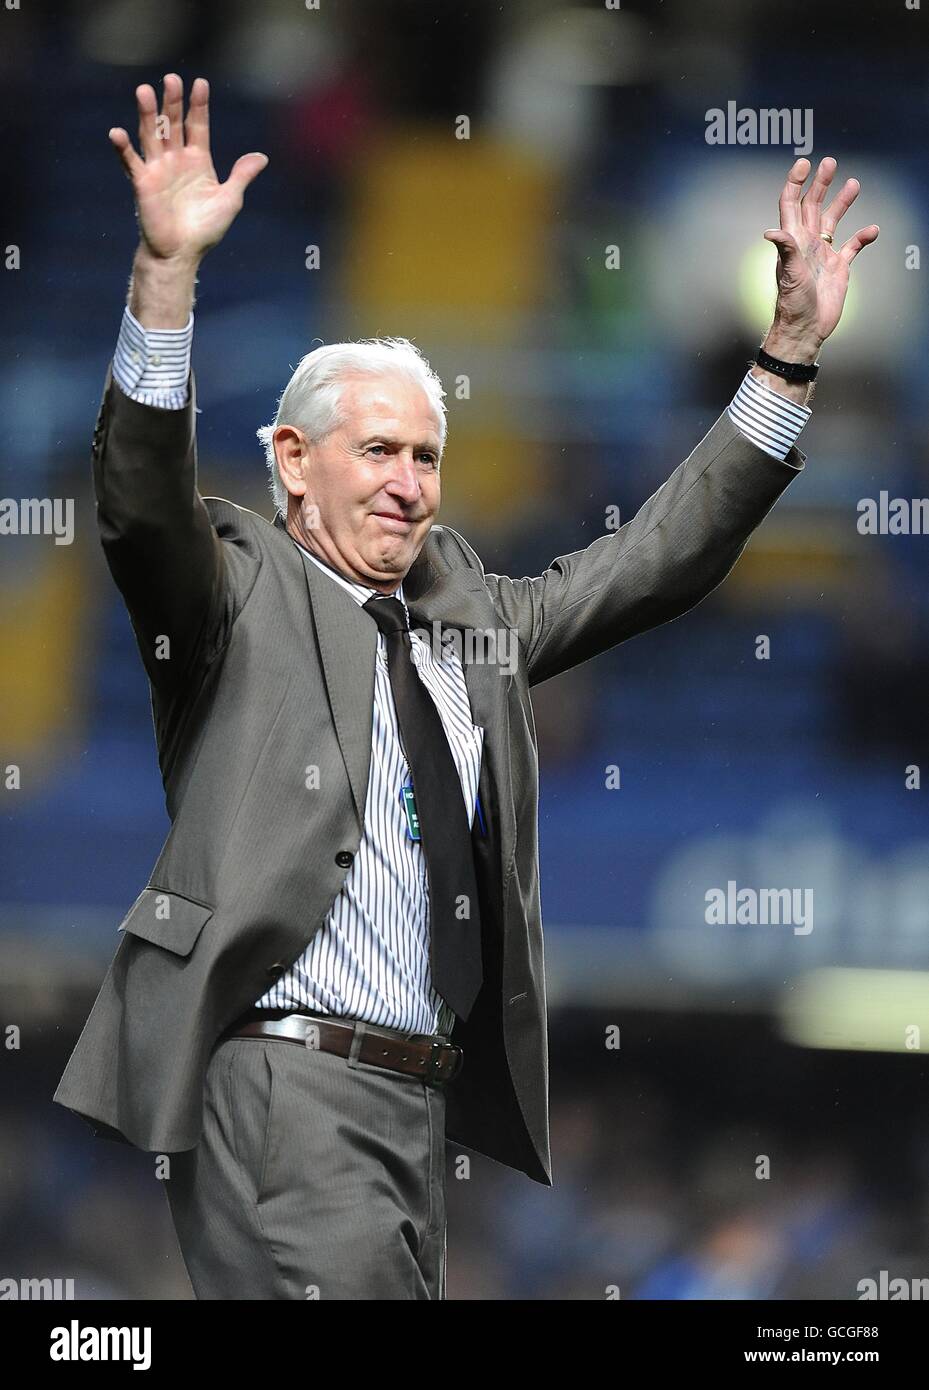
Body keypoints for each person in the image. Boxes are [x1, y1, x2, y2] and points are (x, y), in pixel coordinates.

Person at [53, 73, 878, 1300]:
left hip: (412, 1112)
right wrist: (164, 278)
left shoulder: (472, 626)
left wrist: (789, 356)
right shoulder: (235, 598)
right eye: (375, 449)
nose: (407, 482)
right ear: (290, 462)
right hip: (283, 1093)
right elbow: (136, 504)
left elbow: (655, 562)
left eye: (426, 455)